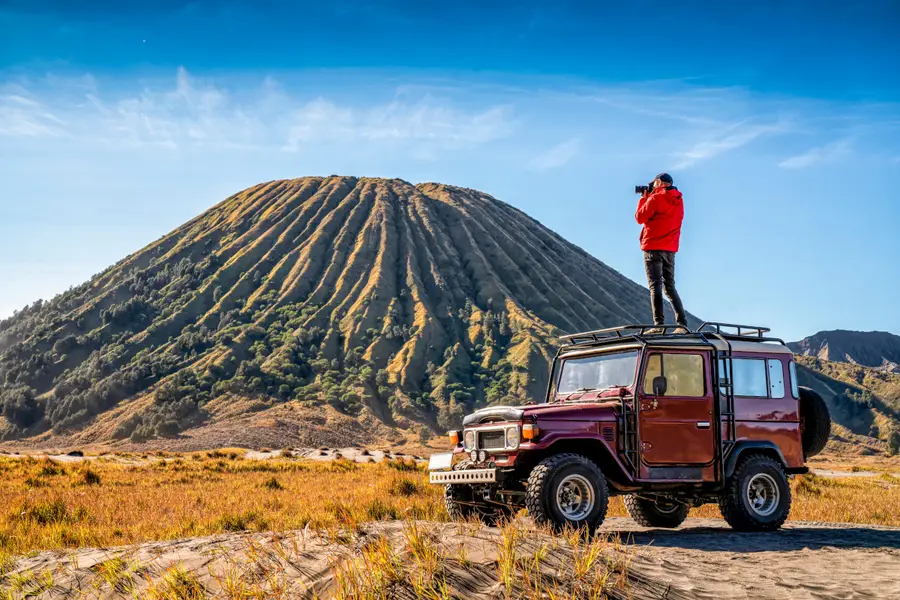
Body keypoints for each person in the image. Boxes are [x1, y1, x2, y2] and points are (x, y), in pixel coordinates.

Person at [635, 172, 688, 334]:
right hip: (670, 249)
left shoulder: (655, 199)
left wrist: (643, 198)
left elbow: (640, 217)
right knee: (670, 286)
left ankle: (659, 325)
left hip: (652, 246)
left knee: (655, 286)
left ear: (659, 182)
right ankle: (682, 324)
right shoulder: (679, 200)